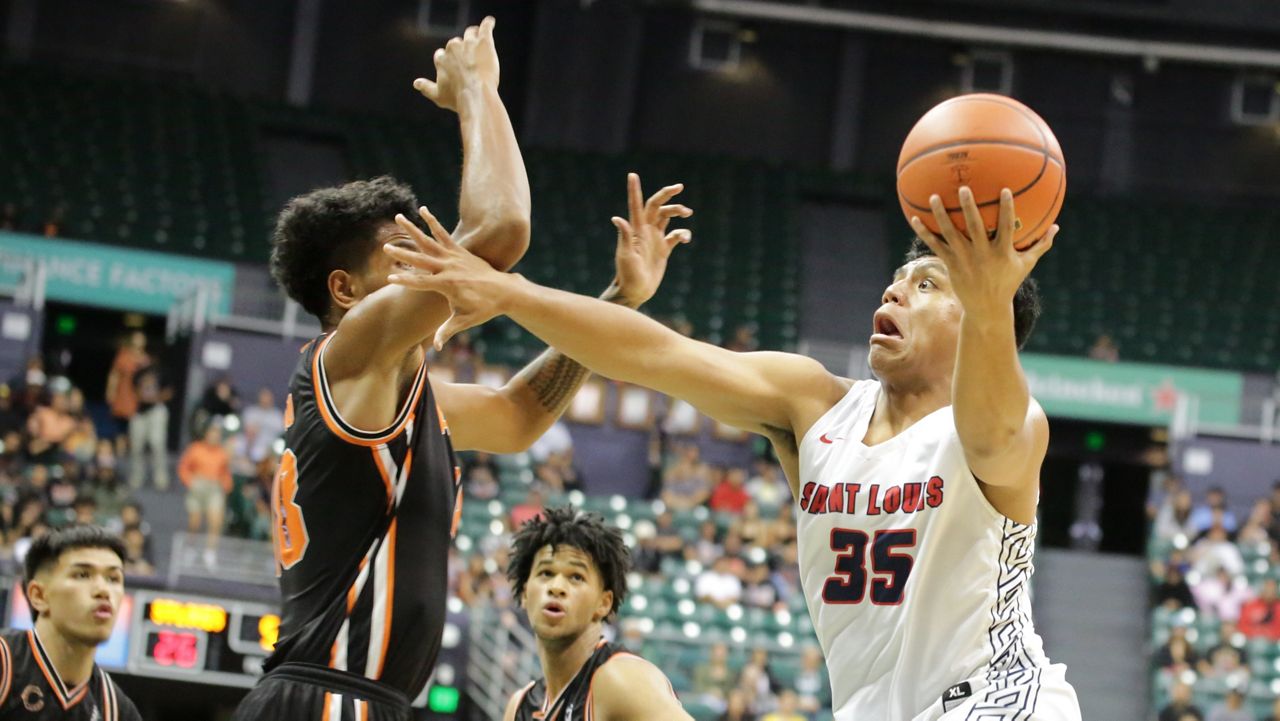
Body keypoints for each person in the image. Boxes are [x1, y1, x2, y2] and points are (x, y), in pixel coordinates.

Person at [385, 179, 1082, 719]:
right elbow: (658, 355)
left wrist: (994, 296)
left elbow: (992, 427)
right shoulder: (816, 403)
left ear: (982, 317)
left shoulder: (1008, 423)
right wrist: (510, 293)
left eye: (927, 284)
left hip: (1000, 699)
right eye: (897, 280)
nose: (897, 289)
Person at [233, 18, 691, 721]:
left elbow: (517, 417)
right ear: (347, 292)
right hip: (329, 697)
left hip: (354, 697)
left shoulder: (391, 392)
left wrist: (618, 299)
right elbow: (500, 232)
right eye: (406, 253)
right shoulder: (348, 354)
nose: (434, 262)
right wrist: (478, 90)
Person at [500, 507, 691, 721]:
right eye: (546, 573)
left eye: (576, 577)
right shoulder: (520, 706)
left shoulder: (620, 679)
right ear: (525, 592)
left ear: (604, 602)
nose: (556, 587)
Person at [0, 524, 141, 719]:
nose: (103, 590)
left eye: (113, 578)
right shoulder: (5, 662)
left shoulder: (117, 711)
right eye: (83, 575)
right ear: (39, 596)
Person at [177, 420, 233, 564]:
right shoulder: (195, 449)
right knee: (195, 521)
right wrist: (190, 481)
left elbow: (225, 472)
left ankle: (210, 551)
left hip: (214, 488)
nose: (214, 437)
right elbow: (183, 468)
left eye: (217, 434)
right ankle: (190, 547)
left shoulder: (222, 453)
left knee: (215, 521)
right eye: (212, 433)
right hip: (198, 486)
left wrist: (226, 485)